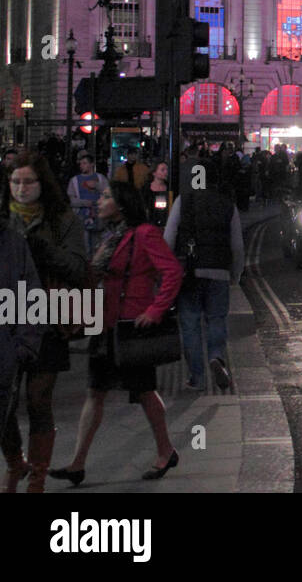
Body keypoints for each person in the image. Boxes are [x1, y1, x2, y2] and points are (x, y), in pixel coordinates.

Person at [49, 181, 184, 485]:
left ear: (121, 204)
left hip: (131, 327)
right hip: (106, 324)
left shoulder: (145, 234)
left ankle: (165, 451)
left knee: (144, 391)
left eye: (107, 197)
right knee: (95, 391)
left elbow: (172, 271)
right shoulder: (111, 237)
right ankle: (77, 463)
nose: (100, 202)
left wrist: (155, 310)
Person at [1, 152, 88, 492]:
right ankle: (14, 462)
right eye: (15, 182)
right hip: (7, 317)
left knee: (38, 399)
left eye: (28, 181)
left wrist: (41, 250)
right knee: (5, 403)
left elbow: (79, 268)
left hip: (47, 318)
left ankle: (37, 474)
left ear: (42, 183)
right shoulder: (4, 219)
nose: (22, 189)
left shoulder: (62, 219)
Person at [164, 162, 244, 391]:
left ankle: (196, 377)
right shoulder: (228, 205)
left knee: (189, 322)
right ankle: (216, 356)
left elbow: (168, 239)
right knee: (216, 319)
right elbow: (237, 246)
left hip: (189, 271)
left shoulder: (183, 201)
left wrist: (167, 271)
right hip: (219, 272)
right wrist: (235, 274)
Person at [0, 225, 41, 490]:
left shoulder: (11, 242)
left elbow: (28, 294)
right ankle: (16, 463)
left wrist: (25, 344)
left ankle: (17, 465)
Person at [67, 151, 109, 256]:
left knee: (97, 245)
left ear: (92, 164)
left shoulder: (100, 179)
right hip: (81, 217)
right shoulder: (74, 180)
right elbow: (71, 200)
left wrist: (97, 186)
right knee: (84, 245)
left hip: (98, 217)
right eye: (81, 164)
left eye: (85, 163)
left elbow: (109, 194)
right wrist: (85, 203)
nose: (82, 166)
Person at [140, 160, 170, 227]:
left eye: (167, 169)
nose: (166, 172)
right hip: (150, 223)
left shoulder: (170, 187)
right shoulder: (146, 189)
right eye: (162, 170)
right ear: (154, 173)